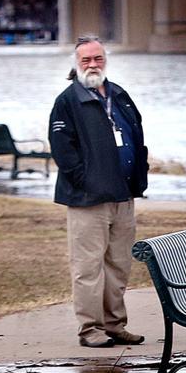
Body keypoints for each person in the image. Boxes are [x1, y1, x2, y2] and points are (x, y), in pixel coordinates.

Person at [49, 35, 148, 348]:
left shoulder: (119, 95)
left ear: (105, 59)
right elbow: (63, 151)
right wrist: (86, 181)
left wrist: (139, 175)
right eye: (86, 60)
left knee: (118, 264)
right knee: (88, 268)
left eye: (98, 59)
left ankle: (115, 325)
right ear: (77, 64)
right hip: (87, 200)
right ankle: (90, 329)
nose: (93, 65)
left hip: (123, 195)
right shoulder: (68, 100)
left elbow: (136, 133)